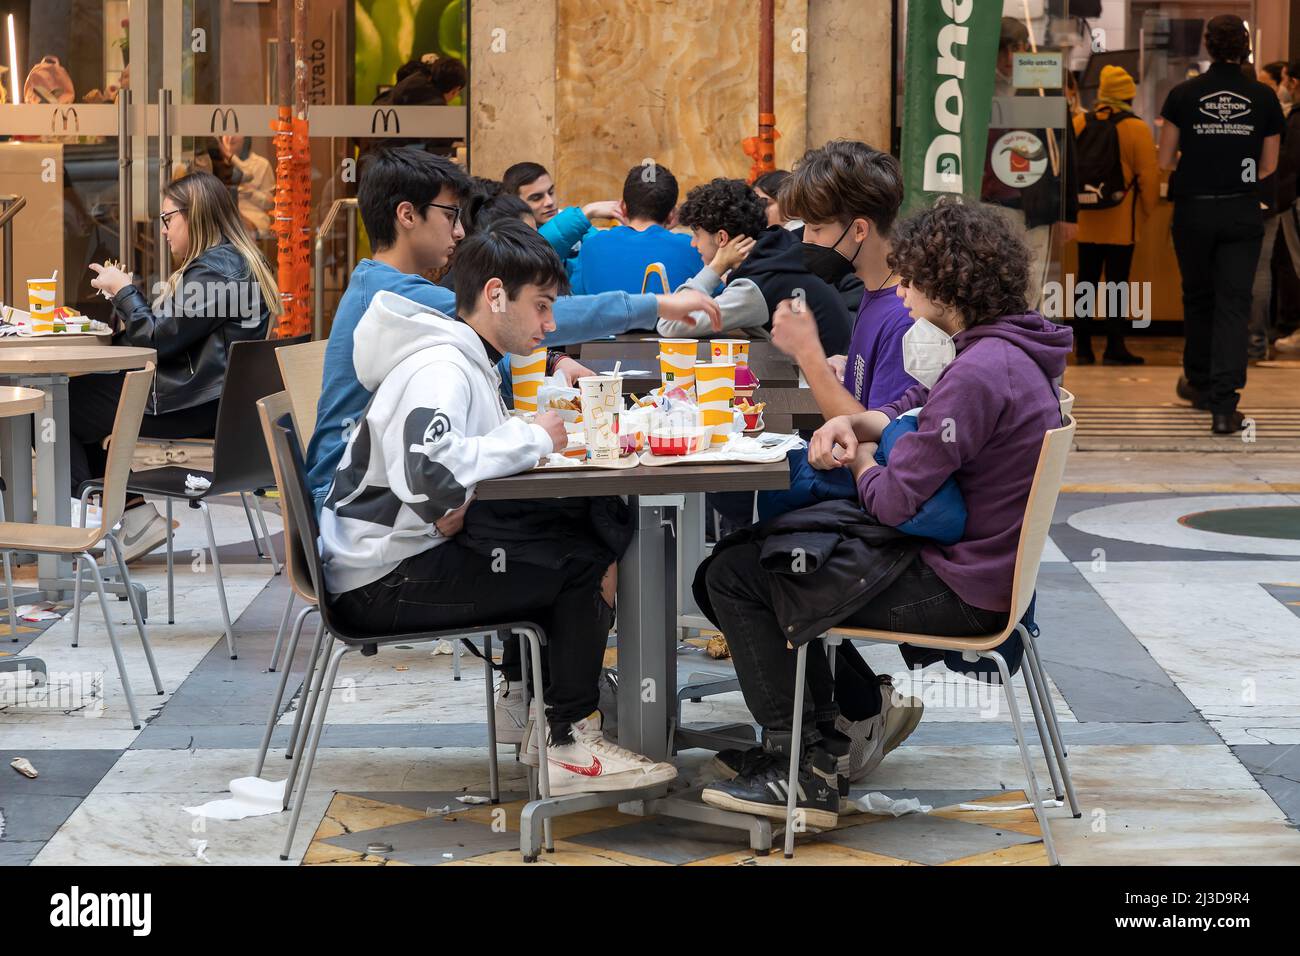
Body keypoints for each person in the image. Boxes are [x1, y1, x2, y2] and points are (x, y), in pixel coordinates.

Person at [697, 198, 1071, 827]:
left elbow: (898, 500)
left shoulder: (980, 370)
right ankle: (816, 748)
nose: (901, 289)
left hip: (961, 585)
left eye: (913, 276)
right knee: (762, 555)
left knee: (736, 575)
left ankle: (801, 768)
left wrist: (859, 458)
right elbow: (916, 420)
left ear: (947, 283)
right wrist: (860, 424)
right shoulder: (1008, 350)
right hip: (985, 567)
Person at [320, 220, 678, 796]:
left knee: (569, 536)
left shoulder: (463, 359)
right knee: (578, 565)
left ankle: (543, 716)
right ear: (494, 295)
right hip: (379, 581)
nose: (550, 324)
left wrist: (496, 459)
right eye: (540, 306)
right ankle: (567, 742)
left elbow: (444, 475)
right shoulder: (443, 367)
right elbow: (428, 473)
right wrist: (530, 440)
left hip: (382, 560)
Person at [306, 147, 719, 515]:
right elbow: (515, 317)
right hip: (357, 504)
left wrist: (554, 360)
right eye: (450, 215)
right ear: (407, 215)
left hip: (383, 488)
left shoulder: (391, 289)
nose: (459, 231)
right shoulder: (393, 298)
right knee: (586, 521)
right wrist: (656, 304)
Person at [81, 171, 279, 561]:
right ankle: (129, 517)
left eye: (168, 219)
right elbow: (169, 332)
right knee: (79, 400)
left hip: (191, 404)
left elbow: (156, 339)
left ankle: (88, 530)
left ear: (195, 216)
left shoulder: (215, 271)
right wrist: (127, 300)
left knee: (61, 407)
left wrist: (123, 291)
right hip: (208, 400)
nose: (165, 231)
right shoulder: (229, 263)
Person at [1159, 14, 1283, 434]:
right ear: (1246, 46)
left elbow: (1163, 160)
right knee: (1234, 305)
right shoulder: (1263, 97)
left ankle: (1198, 383)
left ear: (1208, 45)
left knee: (1197, 297)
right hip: (1241, 210)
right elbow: (1268, 165)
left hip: (1193, 210)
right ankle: (1224, 406)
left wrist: (1200, 160)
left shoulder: (1182, 94)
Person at [768, 140, 913, 416]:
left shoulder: (905, 315)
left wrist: (808, 353)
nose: (806, 240)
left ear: (859, 229)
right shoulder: (875, 290)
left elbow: (878, 440)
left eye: (816, 228)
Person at [982, 17, 1079, 310]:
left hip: (1033, 207)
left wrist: (1069, 212)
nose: (1010, 58)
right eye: (1003, 50)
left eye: (1017, 49)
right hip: (986, 203)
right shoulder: (977, 90)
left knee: (1030, 286)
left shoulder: (1043, 89)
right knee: (988, 284)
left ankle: (1022, 346)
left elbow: (1065, 152)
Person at [1071, 64, 1159, 365]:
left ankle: (1082, 346)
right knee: (1117, 284)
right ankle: (1114, 346)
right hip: (1122, 220)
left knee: (1086, 281)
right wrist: (1146, 213)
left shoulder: (1081, 121)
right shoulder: (1136, 128)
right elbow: (1149, 179)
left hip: (1086, 216)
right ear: (1129, 96)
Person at [571, 163, 703, 294]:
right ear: (672, 214)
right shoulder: (694, 248)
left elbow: (574, 299)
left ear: (623, 207)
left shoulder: (591, 246)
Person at [501, 161, 624, 265]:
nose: (549, 202)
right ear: (515, 202)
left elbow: (604, 250)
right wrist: (587, 212)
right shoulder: (506, 239)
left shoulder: (571, 222)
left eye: (551, 192)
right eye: (536, 198)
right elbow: (537, 250)